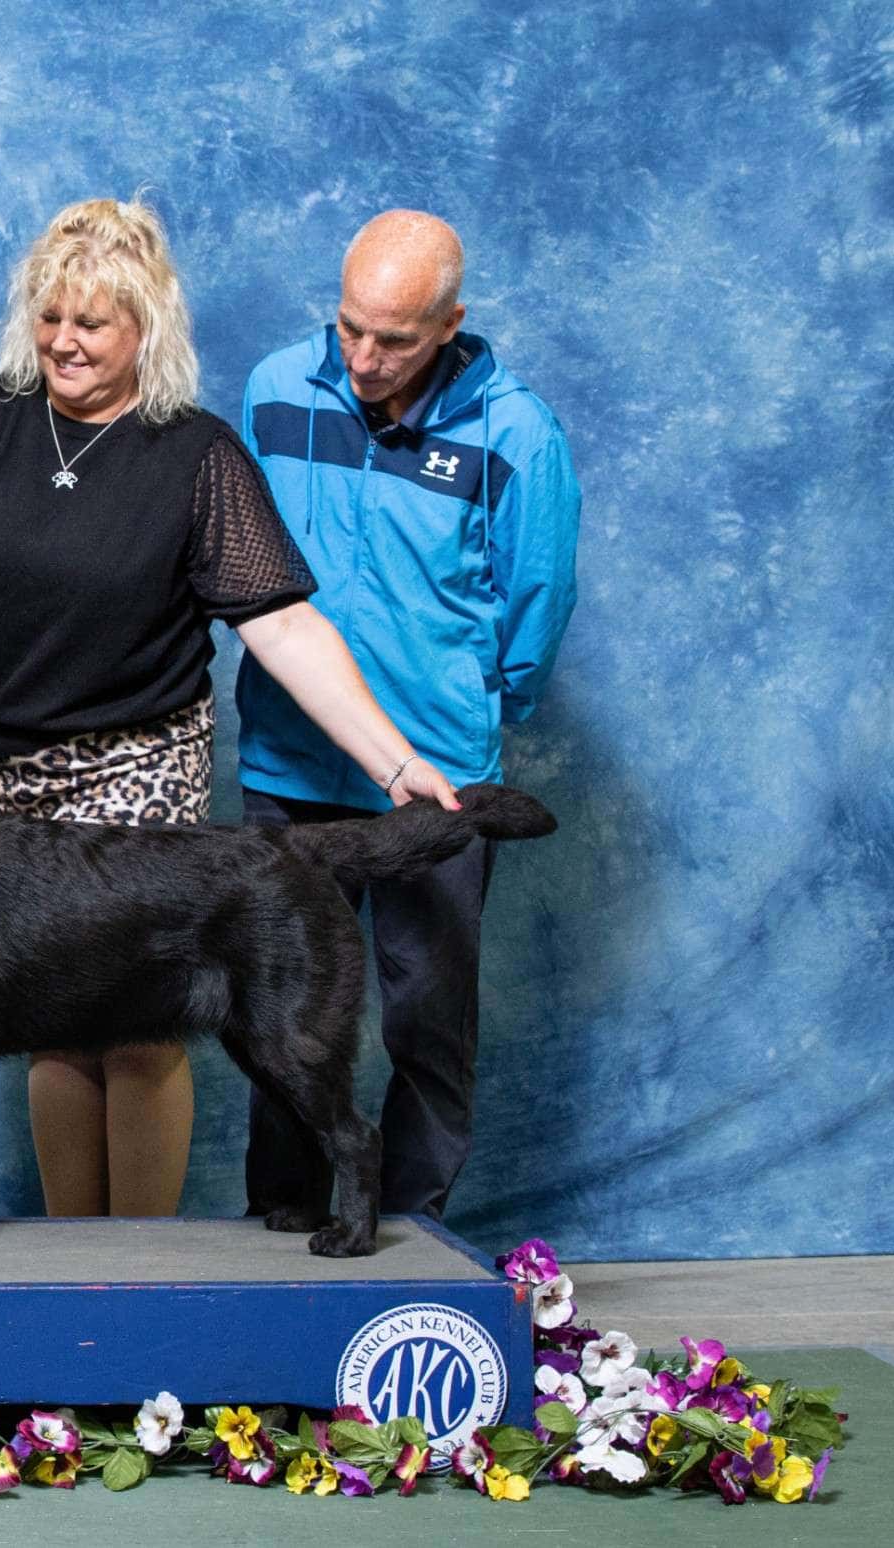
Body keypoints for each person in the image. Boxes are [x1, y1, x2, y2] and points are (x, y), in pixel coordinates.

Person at [0, 197, 457, 1221]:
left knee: (140, 1033)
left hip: (137, 765)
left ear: (144, 330)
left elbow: (282, 626)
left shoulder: (195, 456)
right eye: (49, 316)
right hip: (3, 778)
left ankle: (140, 1263)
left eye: (92, 324)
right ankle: (70, 1263)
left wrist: (392, 766)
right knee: (44, 1026)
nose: (63, 342)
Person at [236, 209, 580, 1223]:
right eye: (349, 328)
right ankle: (284, 1232)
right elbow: (240, 565)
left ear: (451, 324)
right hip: (288, 773)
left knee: (425, 1023)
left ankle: (412, 1237)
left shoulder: (517, 432)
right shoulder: (271, 391)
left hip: (435, 780)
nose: (364, 357)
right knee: (280, 1021)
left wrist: (467, 712)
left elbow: (537, 605)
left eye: (394, 339)